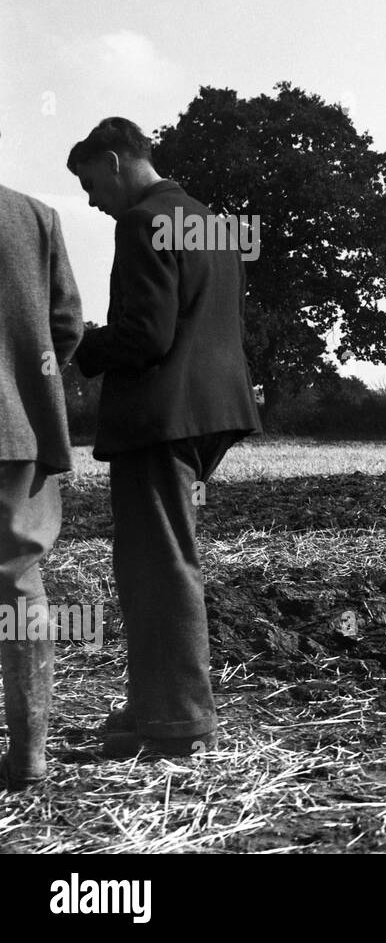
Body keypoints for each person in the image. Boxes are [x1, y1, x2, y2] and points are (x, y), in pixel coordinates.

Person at [67, 117, 261, 759]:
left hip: (160, 417)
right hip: (208, 412)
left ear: (117, 160)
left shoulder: (142, 220)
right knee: (165, 557)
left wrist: (78, 348)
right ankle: (158, 704)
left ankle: (177, 719)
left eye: (92, 184)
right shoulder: (209, 220)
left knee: (155, 566)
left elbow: (145, 337)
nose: (93, 201)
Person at [0, 167, 83, 789]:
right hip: (18, 426)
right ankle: (29, 756)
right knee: (20, 582)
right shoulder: (35, 218)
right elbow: (67, 325)